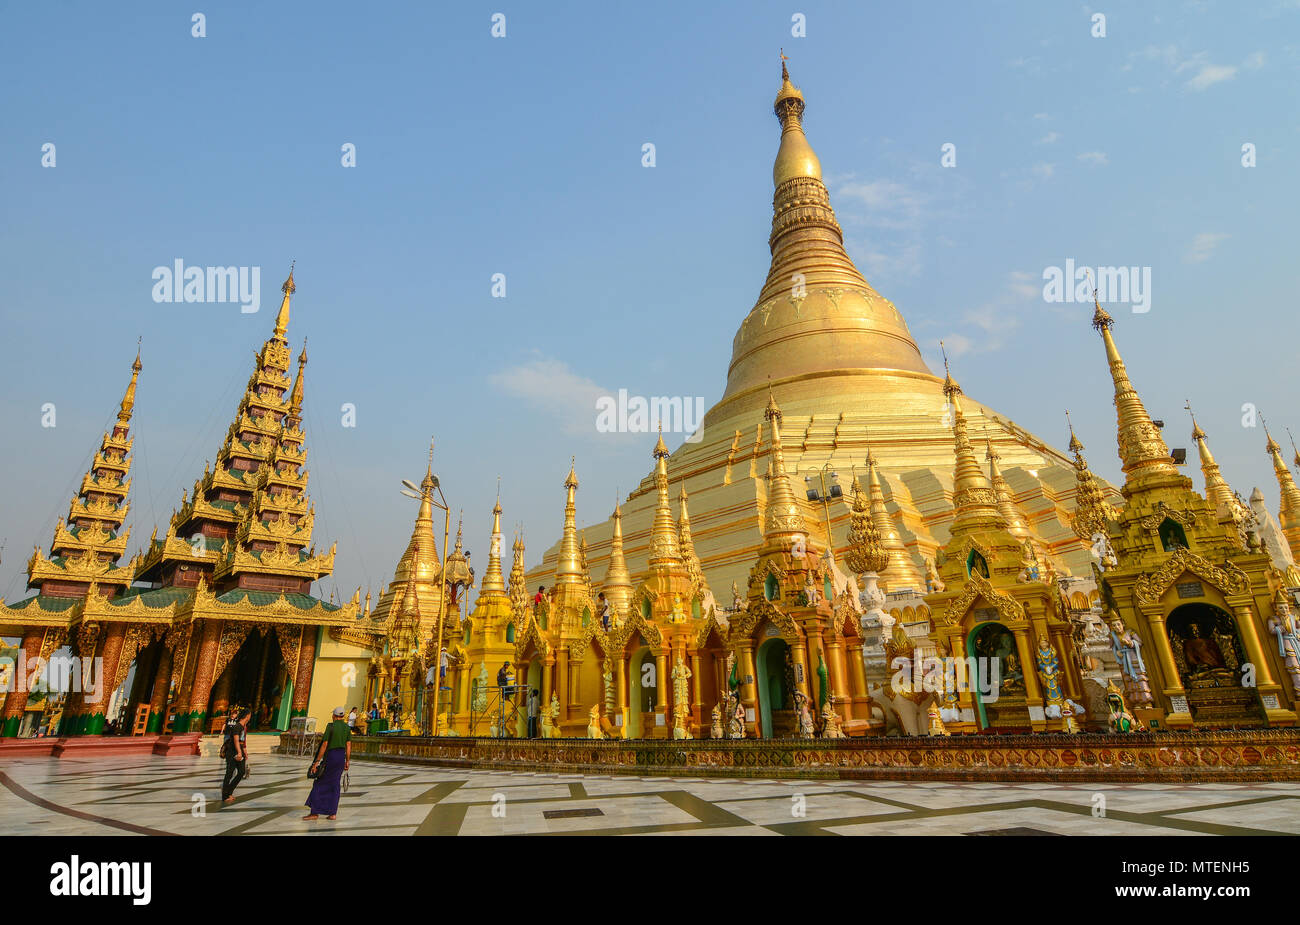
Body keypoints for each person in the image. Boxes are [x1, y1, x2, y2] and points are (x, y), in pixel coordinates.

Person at [304, 707, 352, 821]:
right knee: (335, 784)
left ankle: (314, 812)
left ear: (334, 716)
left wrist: (316, 762)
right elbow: (348, 745)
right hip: (341, 757)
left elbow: (325, 745)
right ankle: (333, 813)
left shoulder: (330, 726)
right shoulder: (347, 728)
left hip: (330, 756)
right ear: (343, 716)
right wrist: (347, 761)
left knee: (319, 783)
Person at [220, 707, 251, 804]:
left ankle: (228, 791)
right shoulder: (237, 726)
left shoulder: (243, 727)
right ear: (247, 716)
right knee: (229, 773)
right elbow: (236, 740)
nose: (250, 717)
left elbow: (242, 741)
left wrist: (244, 751)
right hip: (233, 751)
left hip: (240, 750)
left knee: (241, 772)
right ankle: (225, 796)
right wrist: (239, 752)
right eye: (249, 715)